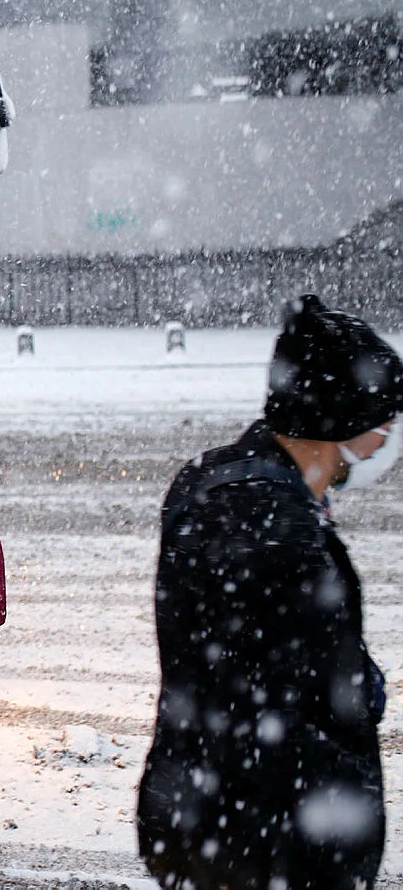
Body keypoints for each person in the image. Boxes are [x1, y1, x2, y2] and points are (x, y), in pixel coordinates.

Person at [138, 294, 403, 890]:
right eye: (380, 431)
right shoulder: (278, 531)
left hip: (201, 808)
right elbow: (302, 701)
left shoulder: (213, 478)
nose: (383, 446)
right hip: (264, 839)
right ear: (337, 419)